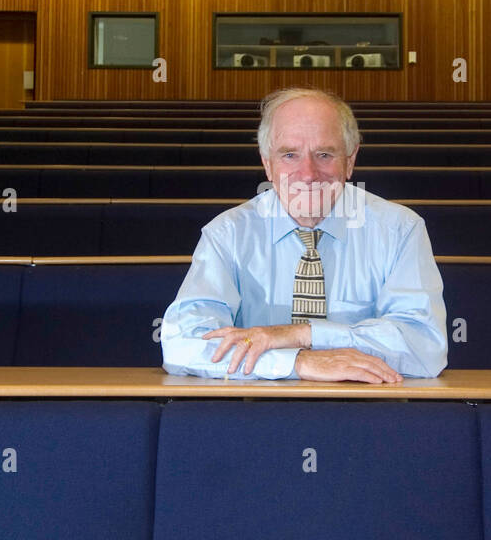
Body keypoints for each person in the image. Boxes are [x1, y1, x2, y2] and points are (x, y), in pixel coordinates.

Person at [160, 87, 447, 383]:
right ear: (267, 164)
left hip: (371, 410)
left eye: (324, 154)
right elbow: (183, 343)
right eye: (289, 155)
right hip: (253, 413)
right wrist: (299, 361)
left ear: (350, 161)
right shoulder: (228, 234)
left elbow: (425, 346)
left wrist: (300, 335)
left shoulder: (399, 230)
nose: (308, 173)